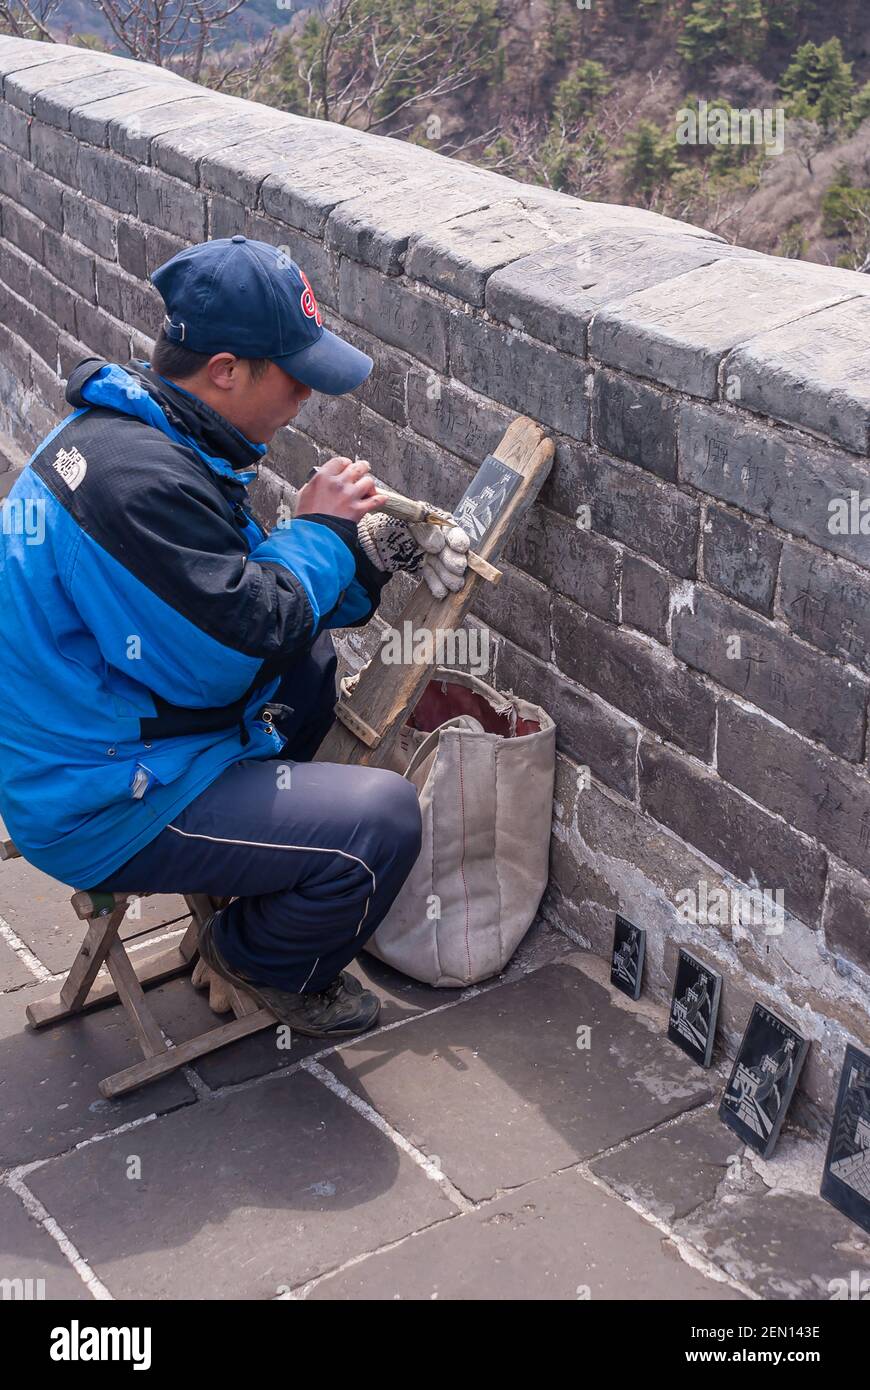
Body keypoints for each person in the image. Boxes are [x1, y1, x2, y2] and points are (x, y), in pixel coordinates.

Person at [0, 236, 471, 1037]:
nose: (303, 400)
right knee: (380, 825)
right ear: (225, 370)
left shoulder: (143, 434)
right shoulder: (135, 486)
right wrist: (323, 530)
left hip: (107, 742)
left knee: (314, 666)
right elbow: (237, 650)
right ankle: (257, 959)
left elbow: (235, 596)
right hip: (104, 799)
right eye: (294, 378)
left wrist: (366, 550)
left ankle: (267, 859)